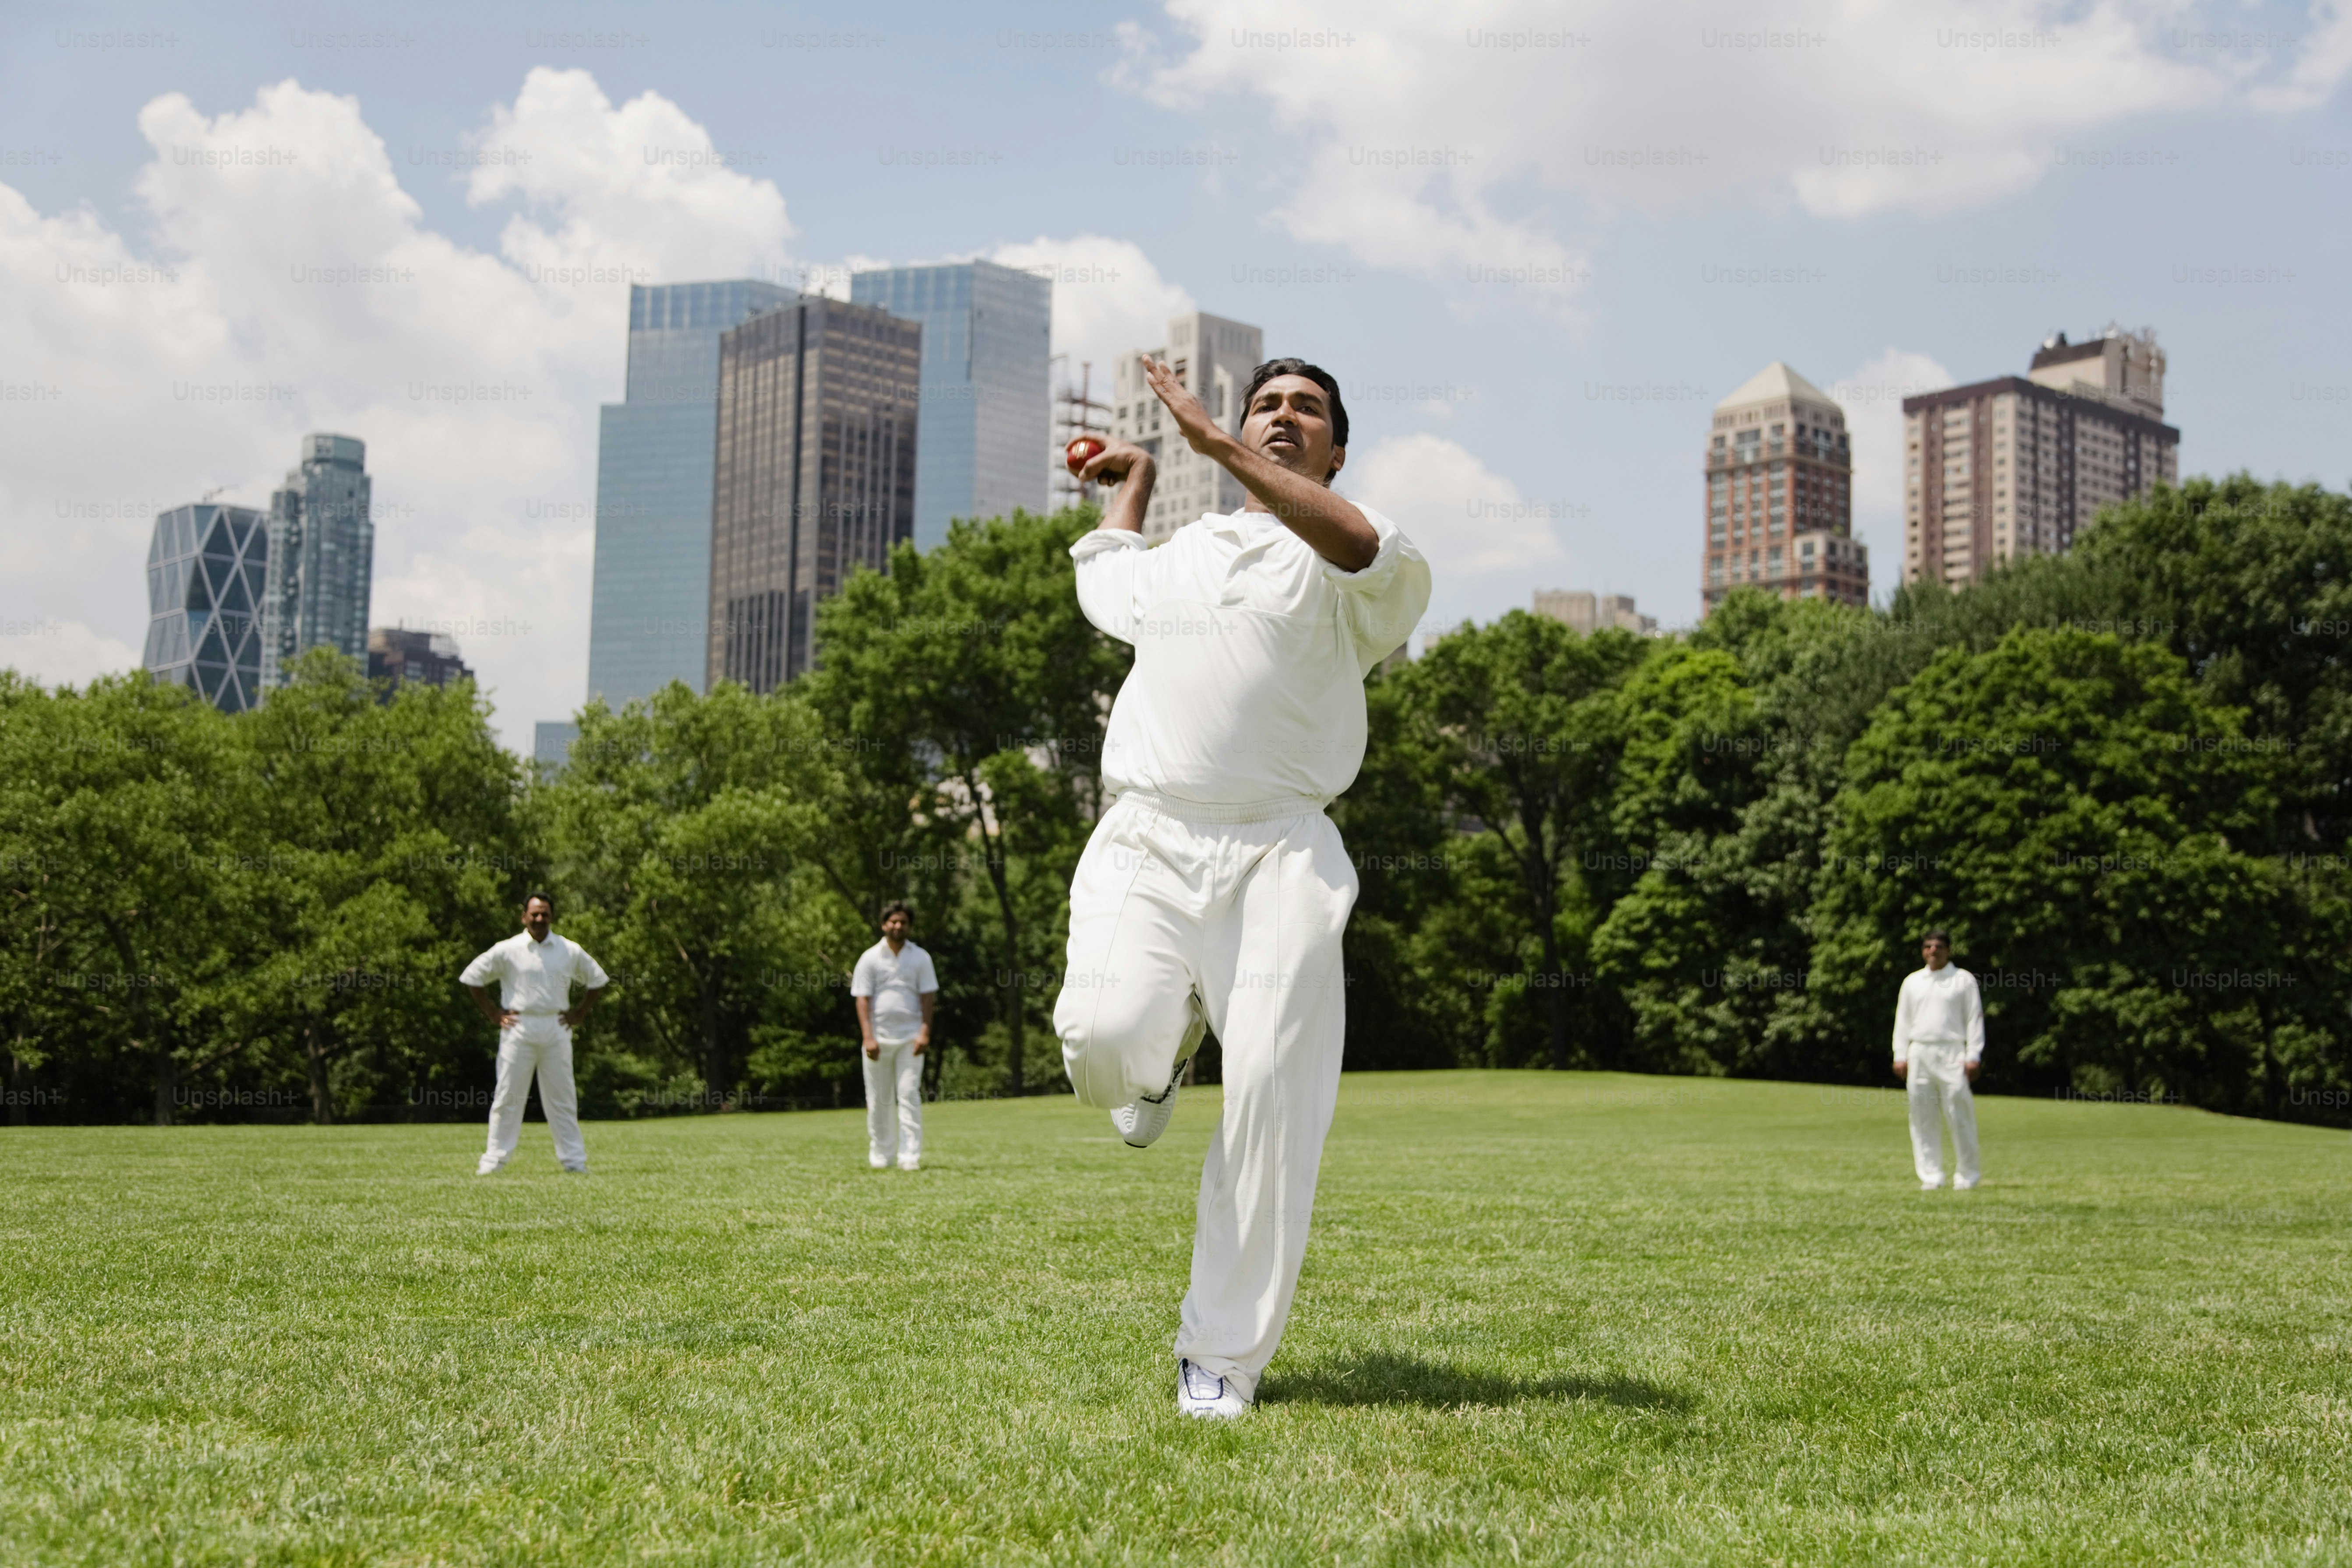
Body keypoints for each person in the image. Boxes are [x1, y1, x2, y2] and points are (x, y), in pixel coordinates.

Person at [1058, 355, 1431, 1418]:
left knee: (1273, 1091)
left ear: (1335, 449)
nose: (1282, 418)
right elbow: (1107, 577)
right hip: (1149, 834)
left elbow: (1357, 543)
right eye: (1265, 404)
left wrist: (1214, 446)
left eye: (1305, 410)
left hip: (1284, 853)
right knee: (1094, 1043)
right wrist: (1132, 475)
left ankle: (1220, 1355)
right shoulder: (1189, 554)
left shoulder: (1359, 558)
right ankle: (1158, 1060)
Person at [461, 893, 609, 1175]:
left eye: (545, 914)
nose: (539, 919)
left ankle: (574, 1162)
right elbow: (473, 977)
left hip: (556, 1027)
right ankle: (493, 1161)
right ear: (524, 917)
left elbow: (597, 980)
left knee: (563, 1097)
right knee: (508, 1096)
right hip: (519, 1028)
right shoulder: (508, 949)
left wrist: (579, 1014)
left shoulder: (569, 950)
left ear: (552, 917)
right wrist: (494, 1014)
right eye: (534, 914)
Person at [1893, 928, 1984, 1191]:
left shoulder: (1963, 980)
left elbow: (1974, 1019)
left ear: (1948, 950)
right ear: (1923, 951)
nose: (1934, 951)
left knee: (1960, 1114)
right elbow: (1903, 1020)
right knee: (1923, 1117)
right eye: (1928, 946)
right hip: (1919, 1052)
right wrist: (1900, 1054)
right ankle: (1931, 1176)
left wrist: (1973, 1054)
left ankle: (1967, 1175)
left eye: (1939, 946)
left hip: (1953, 1052)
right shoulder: (1912, 982)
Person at [850, 901, 937, 1172]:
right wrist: (868, 1037)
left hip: (910, 1040)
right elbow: (862, 999)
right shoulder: (870, 958)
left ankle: (909, 1155)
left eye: (903, 922)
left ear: (909, 927)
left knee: (909, 1095)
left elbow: (928, 997)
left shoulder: (921, 957)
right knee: (878, 1099)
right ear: (884, 925)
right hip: (878, 1039)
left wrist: (924, 1032)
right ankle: (881, 1154)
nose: (898, 926)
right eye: (893, 922)